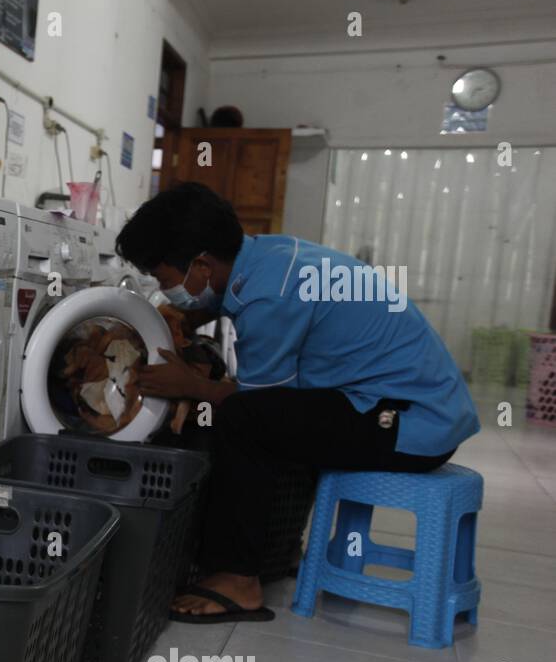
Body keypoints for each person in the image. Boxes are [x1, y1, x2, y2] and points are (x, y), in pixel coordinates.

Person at [117, 182, 480, 621]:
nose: (162, 289)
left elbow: (261, 400)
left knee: (241, 420)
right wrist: (197, 317)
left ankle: (238, 579)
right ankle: (280, 548)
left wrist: (192, 386)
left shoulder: (270, 295)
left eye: (163, 279)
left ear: (201, 265)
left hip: (410, 423)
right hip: (407, 405)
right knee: (277, 416)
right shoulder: (267, 258)